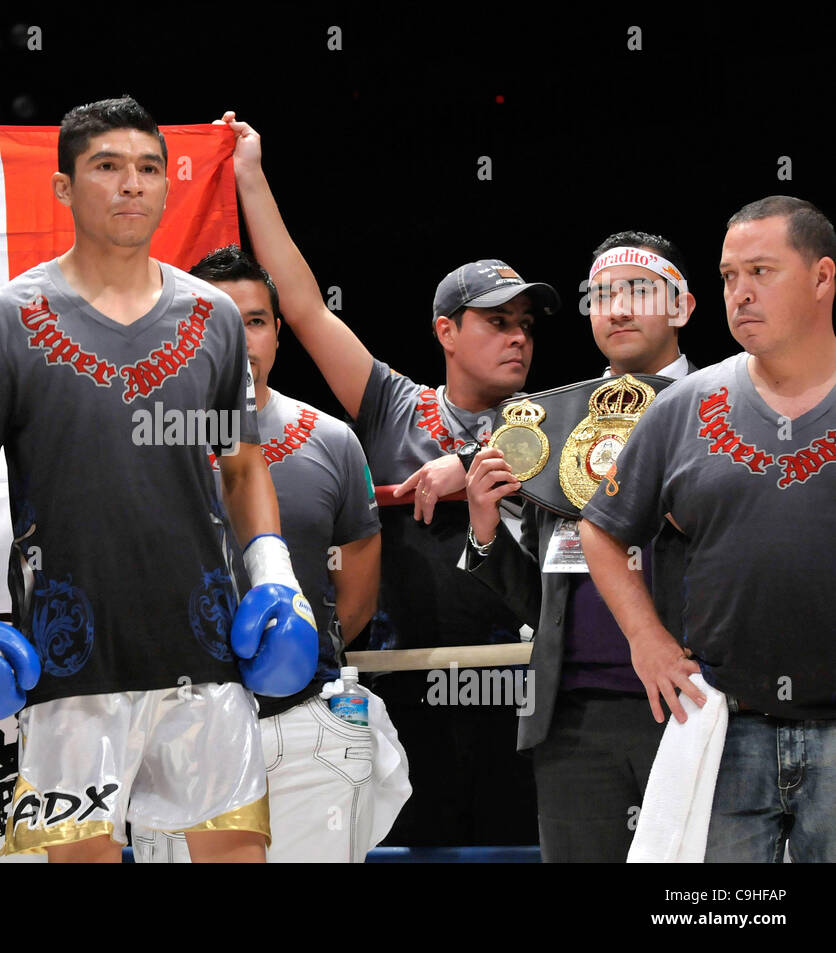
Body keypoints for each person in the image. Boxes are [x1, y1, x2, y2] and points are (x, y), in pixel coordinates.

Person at [0, 96, 319, 863]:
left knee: (239, 855)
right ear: (65, 188)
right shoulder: (5, 319)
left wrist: (278, 580)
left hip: (205, 646)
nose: (131, 184)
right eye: (107, 167)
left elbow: (241, 464)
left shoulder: (212, 318)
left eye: (148, 168)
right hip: (70, 654)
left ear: (166, 186)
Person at [221, 111, 555, 846]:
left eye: (526, 322)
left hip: (523, 687)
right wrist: (250, 173)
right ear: (445, 330)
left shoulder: (559, 423)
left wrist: (466, 467)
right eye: (497, 321)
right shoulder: (389, 405)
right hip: (407, 690)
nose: (519, 336)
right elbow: (303, 307)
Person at [581, 196, 836, 862]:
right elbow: (601, 528)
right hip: (728, 727)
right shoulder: (686, 407)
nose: (741, 293)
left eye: (761, 271)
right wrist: (646, 638)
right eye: (728, 277)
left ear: (822, 278)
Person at [132, 245, 392, 863]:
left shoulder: (332, 440)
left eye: (253, 320)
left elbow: (353, 596)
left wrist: (289, 658)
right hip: (176, 726)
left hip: (306, 725)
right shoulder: (140, 440)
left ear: (277, 332)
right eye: (217, 317)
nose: (240, 338)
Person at [463, 230, 697, 861]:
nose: (616, 308)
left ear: (683, 307)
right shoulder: (550, 425)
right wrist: (484, 530)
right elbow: (538, 600)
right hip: (570, 718)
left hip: (696, 704)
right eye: (601, 295)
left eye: (638, 291)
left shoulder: (726, 407)